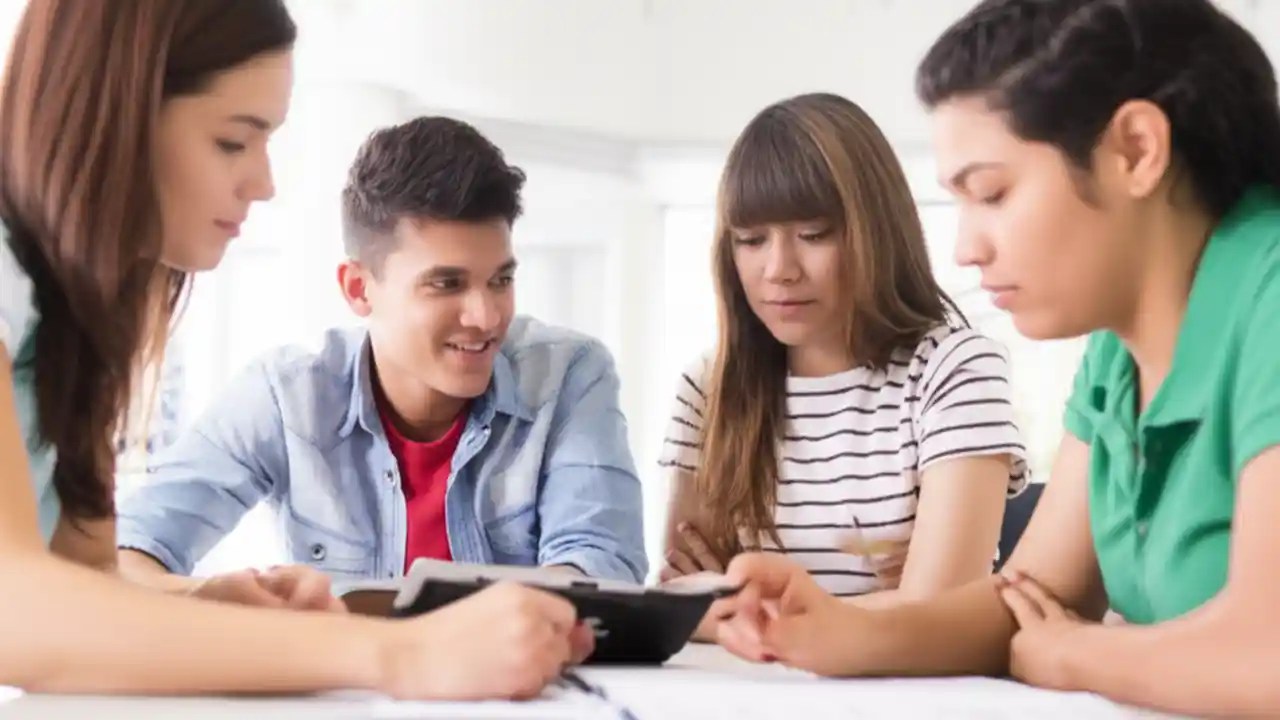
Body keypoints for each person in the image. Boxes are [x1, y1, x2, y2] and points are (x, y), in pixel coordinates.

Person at [0, 0, 589, 698]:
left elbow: (84, 578)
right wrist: (396, 653)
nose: (264, 183)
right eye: (232, 141)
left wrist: (204, 604)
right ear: (116, 117)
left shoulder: (78, 318)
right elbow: (17, 610)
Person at [715, 1, 1280, 716]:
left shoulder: (1269, 294)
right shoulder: (1119, 348)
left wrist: (1075, 652)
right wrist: (836, 629)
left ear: (1136, 149)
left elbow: (1267, 654)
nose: (965, 249)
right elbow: (1031, 602)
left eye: (992, 194)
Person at [114, 116, 647, 590]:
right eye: (446, 284)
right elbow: (131, 550)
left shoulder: (570, 375)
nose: (486, 317)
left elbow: (603, 567)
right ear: (359, 289)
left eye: (501, 279)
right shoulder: (286, 396)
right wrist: (214, 602)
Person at [657, 93, 1028, 632]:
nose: (779, 269)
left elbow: (945, 612)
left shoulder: (954, 370)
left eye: (813, 235)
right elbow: (677, 604)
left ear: (875, 232)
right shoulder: (708, 387)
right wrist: (889, 603)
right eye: (751, 240)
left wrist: (731, 610)